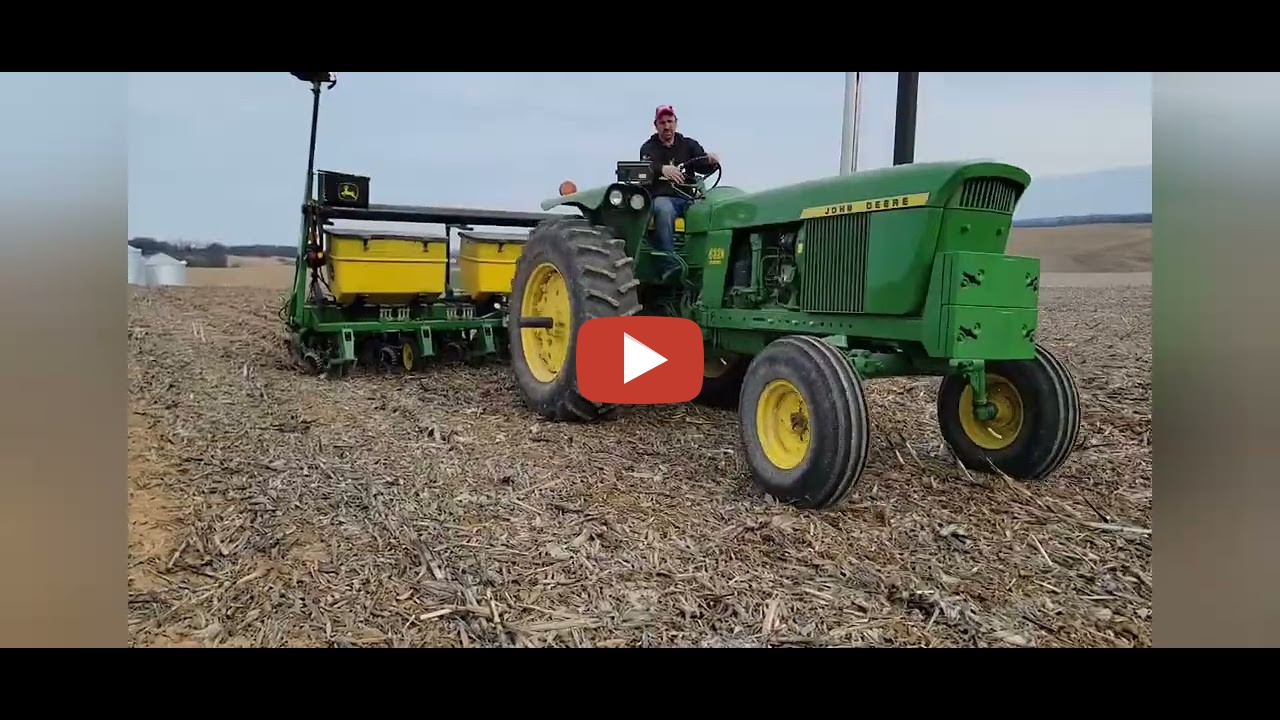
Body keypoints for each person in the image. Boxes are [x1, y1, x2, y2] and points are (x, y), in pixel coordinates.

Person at [640, 104, 720, 283]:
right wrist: (662, 169)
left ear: (676, 123)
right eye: (662, 123)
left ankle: (707, 264)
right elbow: (646, 168)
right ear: (656, 125)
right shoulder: (649, 148)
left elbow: (702, 165)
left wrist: (712, 161)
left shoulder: (689, 144)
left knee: (711, 211)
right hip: (663, 197)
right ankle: (669, 265)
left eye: (670, 121)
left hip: (687, 197)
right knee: (663, 209)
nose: (667, 126)